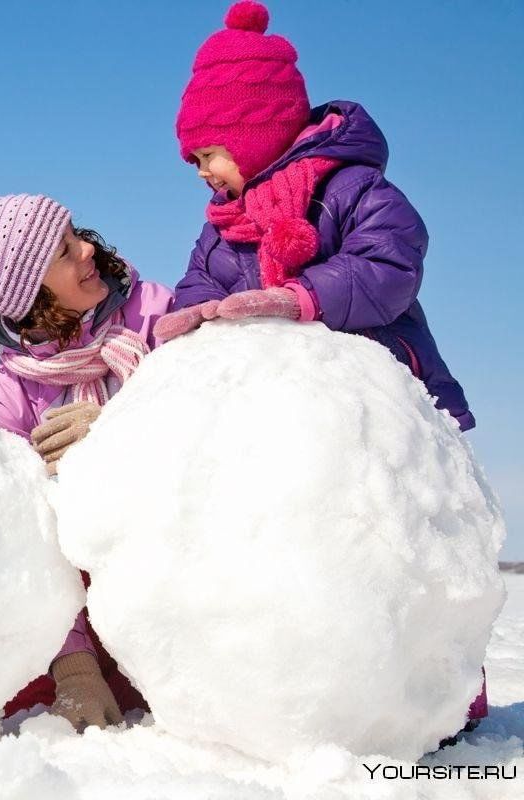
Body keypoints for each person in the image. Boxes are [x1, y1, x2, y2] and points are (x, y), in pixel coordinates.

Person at [155, 0, 486, 735]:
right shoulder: (222, 232)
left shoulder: (351, 190)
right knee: (320, 548)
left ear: (255, 130)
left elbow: (391, 263)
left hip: (388, 396)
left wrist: (300, 296)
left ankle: (450, 686)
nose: (203, 172)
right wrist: (188, 322)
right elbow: (200, 288)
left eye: (210, 152)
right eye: (196, 160)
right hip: (299, 424)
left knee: (411, 542)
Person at [0, 194, 173, 729]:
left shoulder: (158, 316)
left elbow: (214, 427)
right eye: (64, 251)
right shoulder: (9, 393)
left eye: (75, 233)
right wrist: (75, 667)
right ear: (31, 296)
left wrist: (123, 429)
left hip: (171, 567)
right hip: (82, 596)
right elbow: (21, 538)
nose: (88, 249)